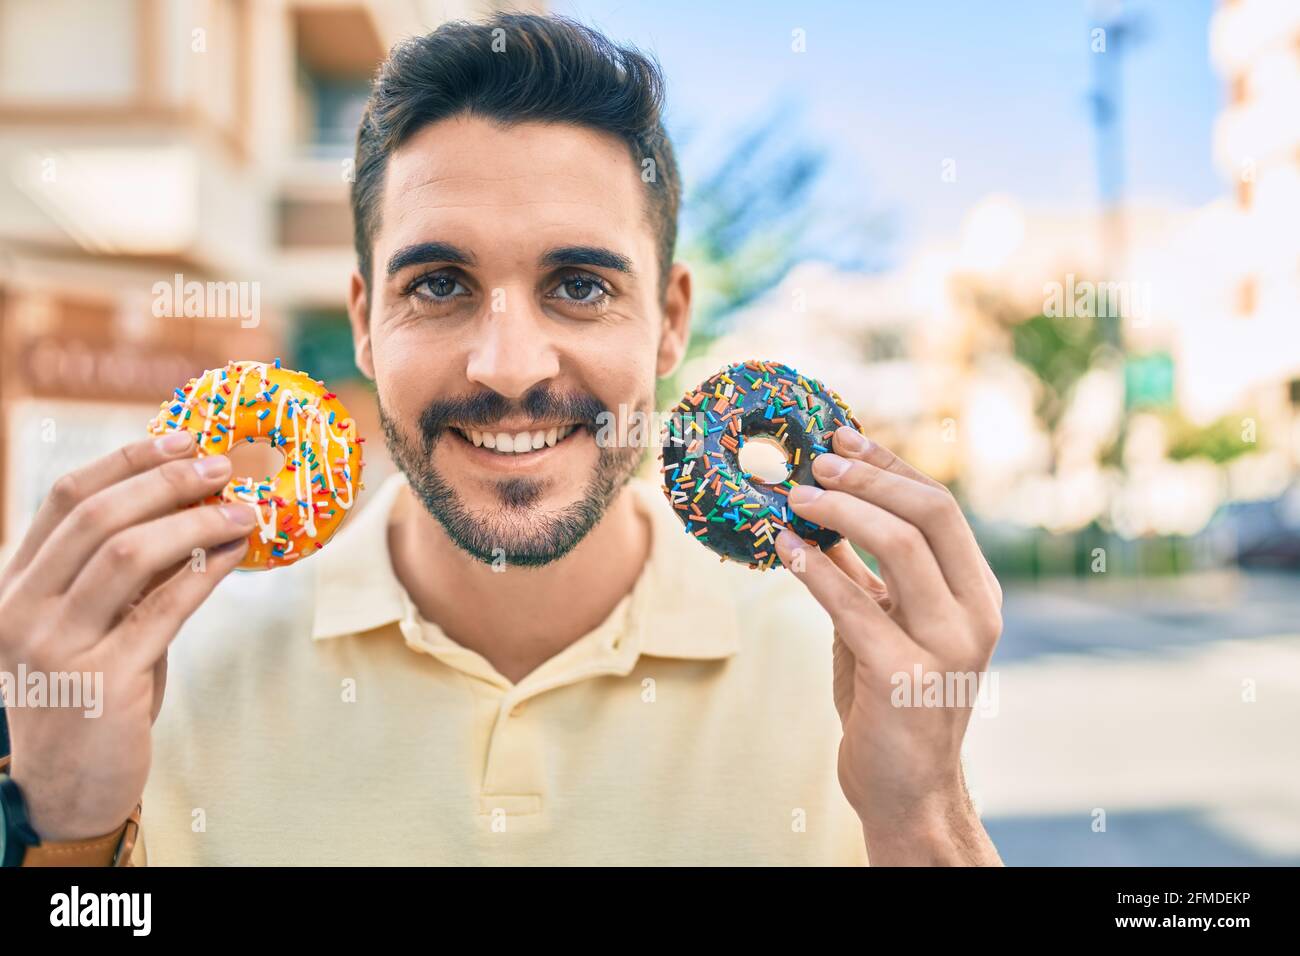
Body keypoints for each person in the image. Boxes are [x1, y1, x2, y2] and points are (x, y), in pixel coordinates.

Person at [0, 13, 1003, 866]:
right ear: (362, 321)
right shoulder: (164, 672)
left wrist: (923, 813)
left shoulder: (843, 677)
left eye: (579, 285)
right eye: (438, 284)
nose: (508, 365)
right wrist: (67, 827)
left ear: (669, 320)